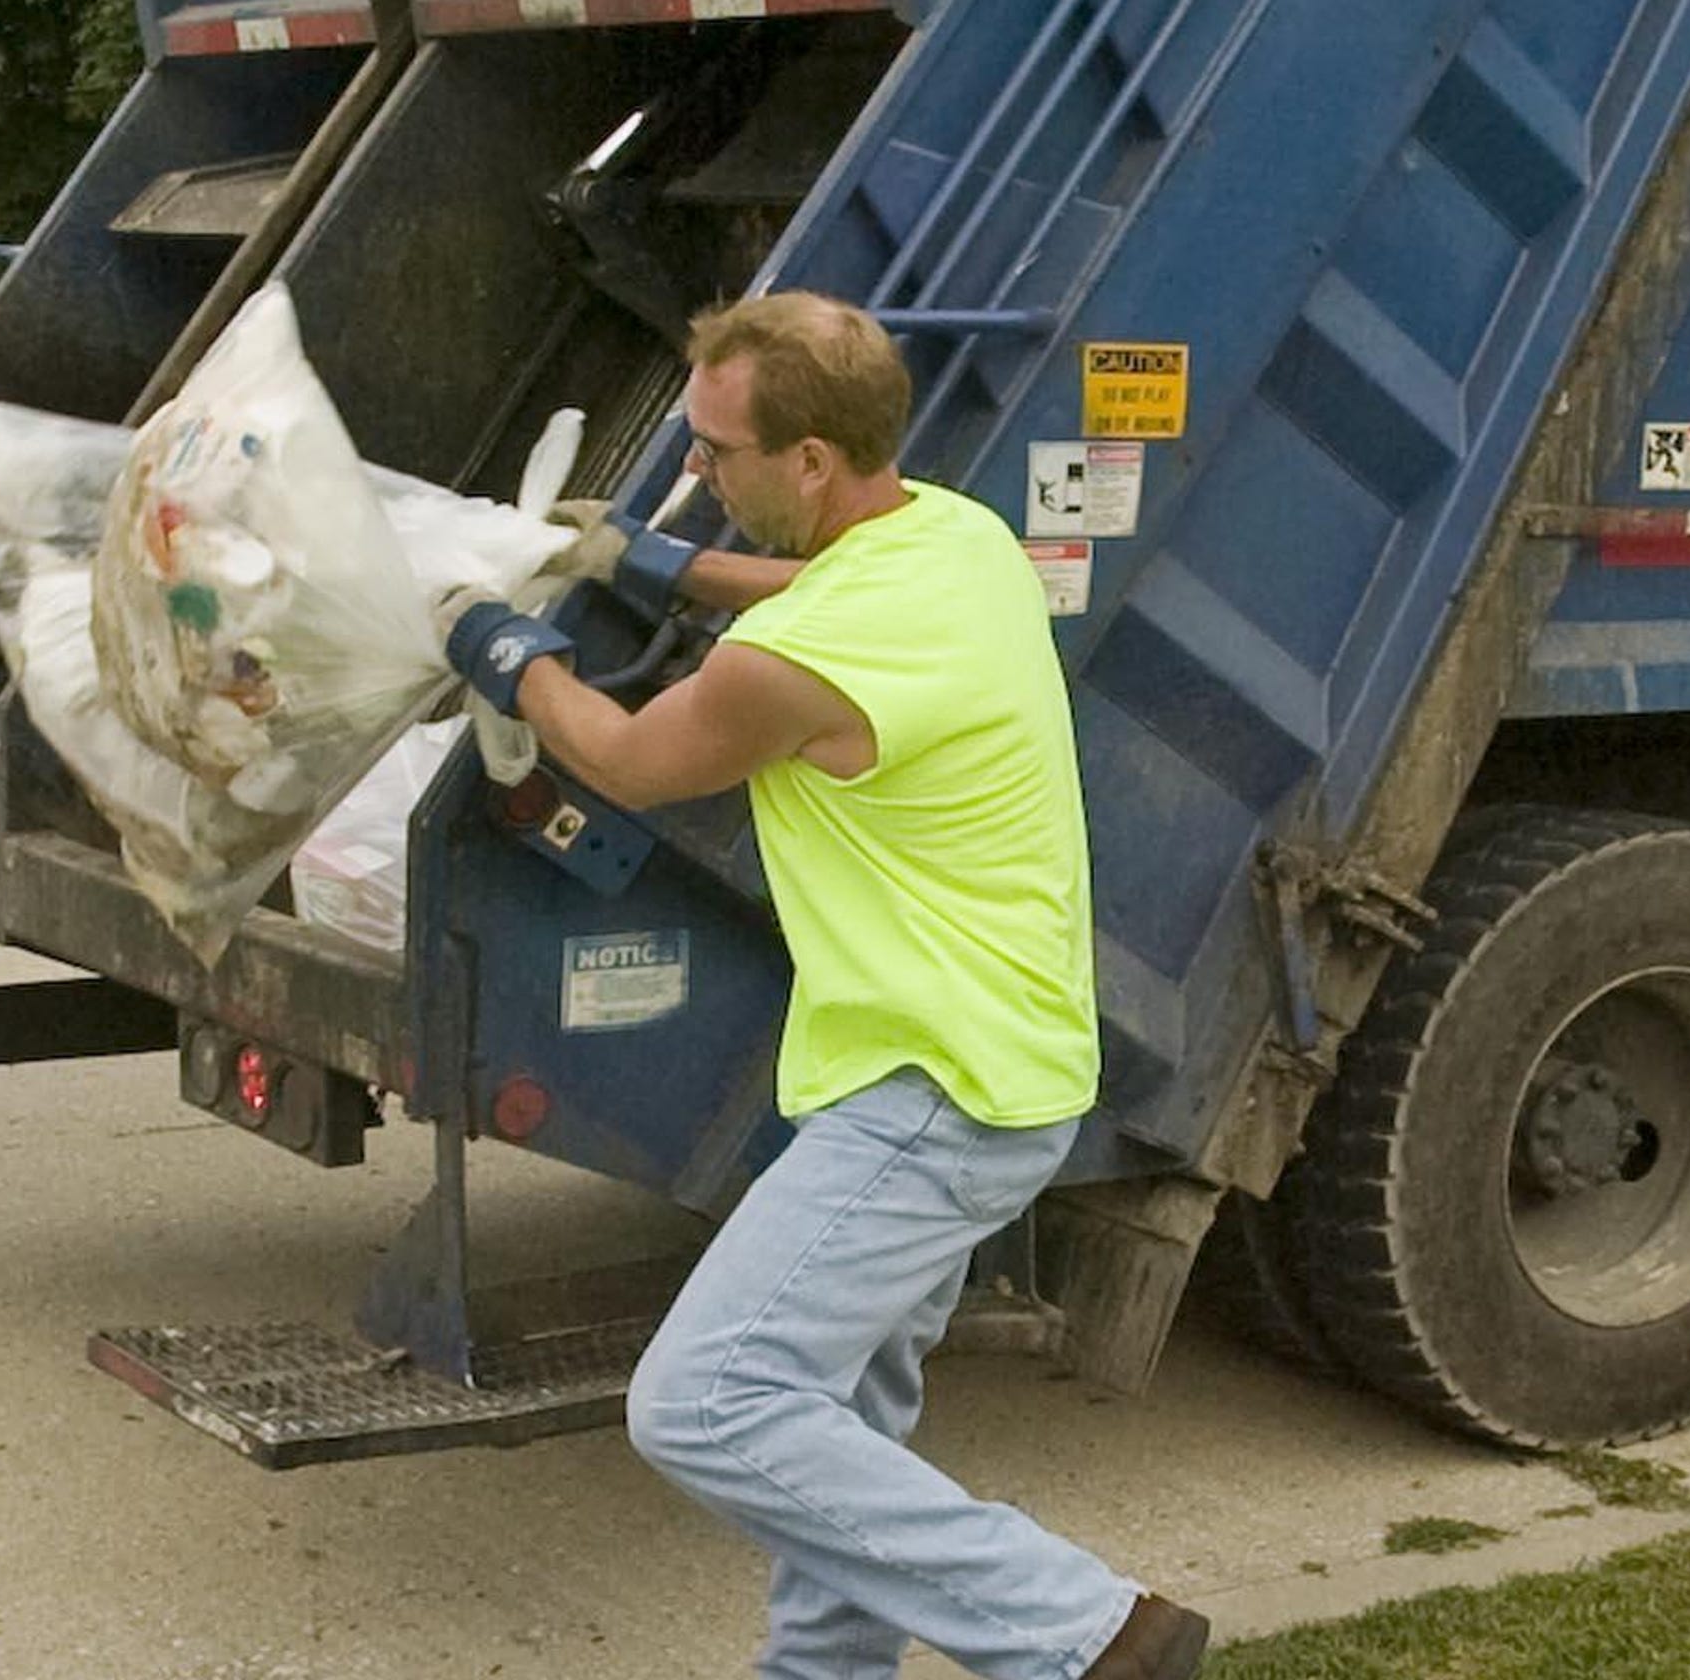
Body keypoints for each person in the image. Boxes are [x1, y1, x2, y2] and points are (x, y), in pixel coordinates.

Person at [437, 291, 1209, 1680]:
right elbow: (811, 587)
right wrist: (661, 564)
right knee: (838, 1411)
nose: (698, 465)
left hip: (936, 1087)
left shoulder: (804, 664)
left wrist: (501, 650)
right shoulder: (955, 537)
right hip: (990, 1055)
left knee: (705, 1402)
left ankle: (1088, 1632)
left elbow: (627, 759)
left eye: (717, 451)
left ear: (808, 461)